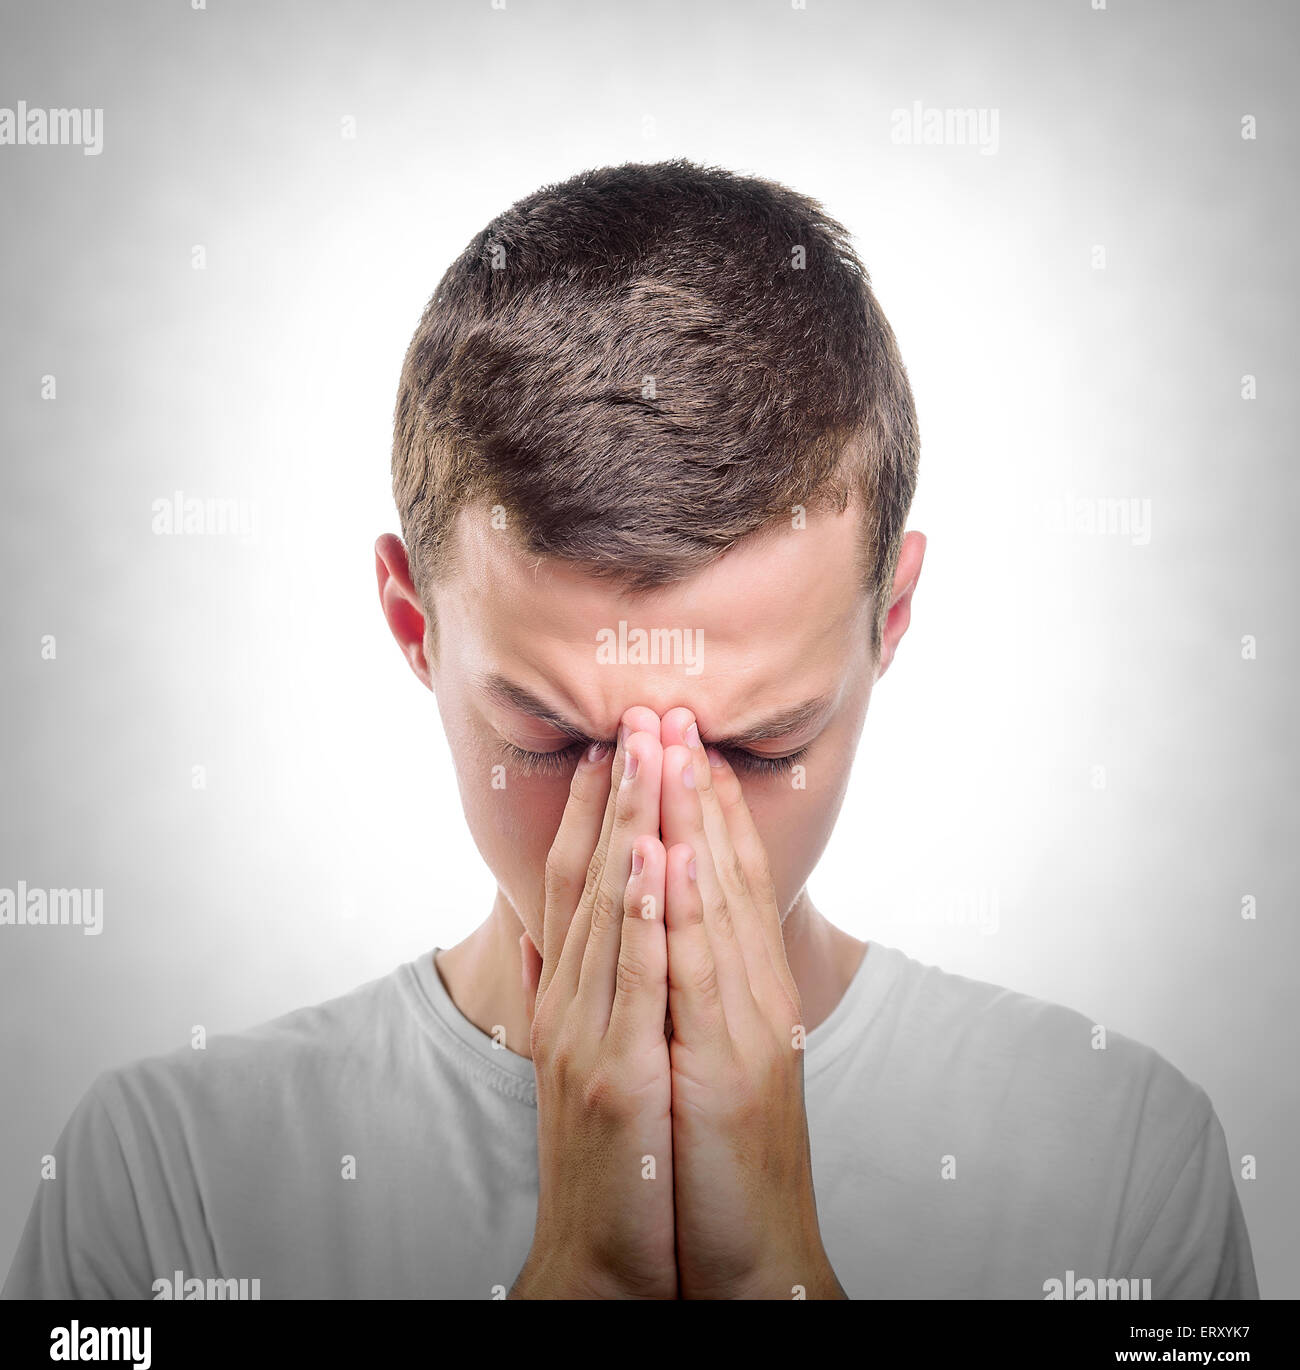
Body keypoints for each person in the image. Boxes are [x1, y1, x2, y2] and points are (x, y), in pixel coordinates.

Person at [3, 159, 1257, 1299]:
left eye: (762, 747)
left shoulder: (1124, 1164)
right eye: (548, 738)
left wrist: (773, 1273)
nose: (653, 839)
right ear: (412, 623)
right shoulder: (166, 1185)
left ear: (894, 616)